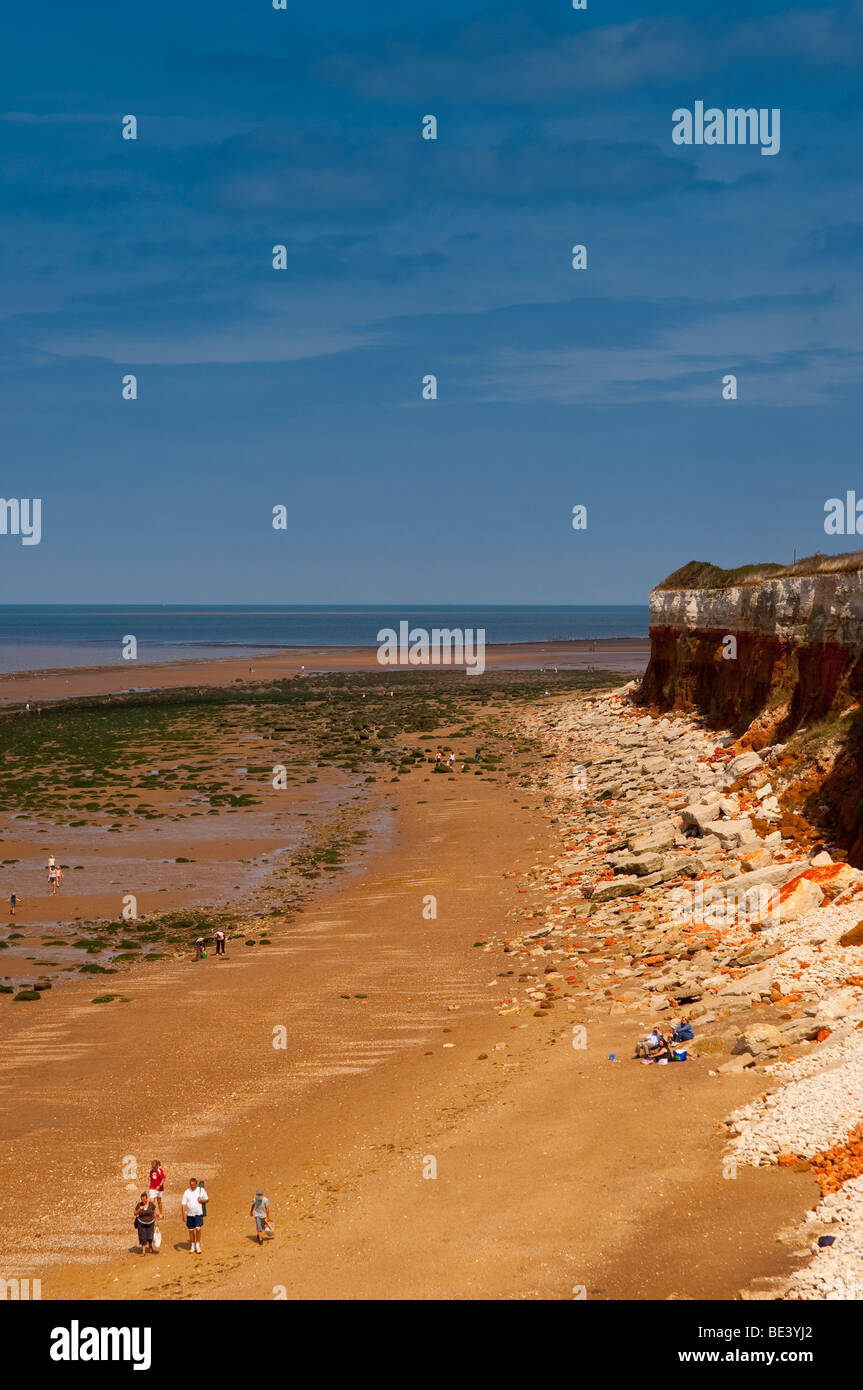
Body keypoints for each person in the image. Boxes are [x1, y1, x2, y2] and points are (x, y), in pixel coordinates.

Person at [181, 1176, 209, 1253]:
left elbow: (207, 1200)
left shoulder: (201, 1190)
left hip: (198, 1213)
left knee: (198, 1229)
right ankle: (192, 1244)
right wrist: (184, 1215)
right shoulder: (186, 1192)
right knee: (191, 1230)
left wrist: (201, 1200)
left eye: (193, 1185)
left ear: (196, 1184)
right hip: (189, 1214)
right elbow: (183, 1204)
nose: (192, 1186)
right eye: (191, 1185)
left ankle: (197, 1244)